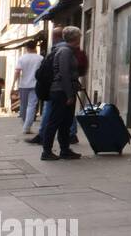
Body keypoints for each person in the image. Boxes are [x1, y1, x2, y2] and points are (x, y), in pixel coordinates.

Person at [40, 27, 84, 161]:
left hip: (64, 89)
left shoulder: (67, 50)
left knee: (66, 122)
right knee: (55, 121)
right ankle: (46, 151)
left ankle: (65, 150)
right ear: (75, 38)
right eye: (79, 37)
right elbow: (64, 73)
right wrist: (69, 94)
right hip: (61, 91)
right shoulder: (65, 51)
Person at [13, 45, 43, 134]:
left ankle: (25, 124)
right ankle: (27, 127)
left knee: (23, 105)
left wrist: (13, 85)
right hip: (36, 85)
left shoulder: (22, 58)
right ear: (35, 48)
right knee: (32, 106)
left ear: (27, 48)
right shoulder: (41, 58)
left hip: (23, 85)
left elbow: (17, 72)